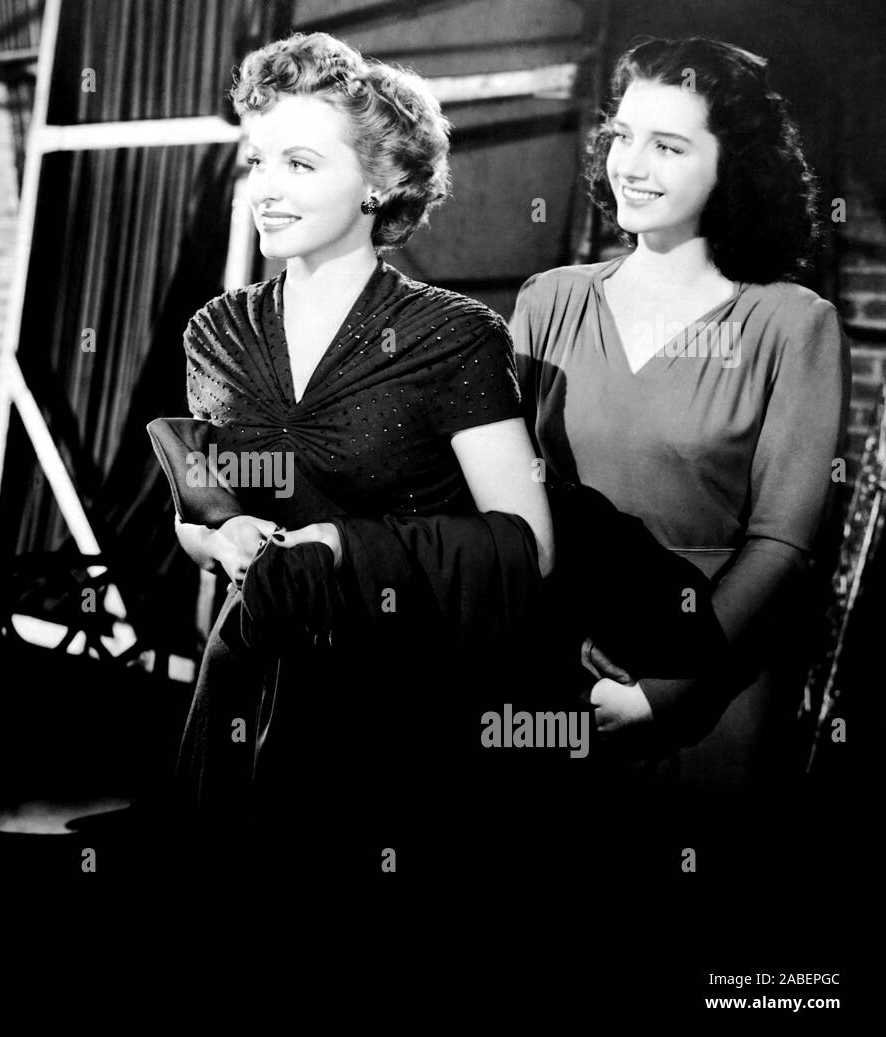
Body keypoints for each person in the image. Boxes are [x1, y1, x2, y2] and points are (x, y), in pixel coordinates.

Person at [162, 32, 555, 868]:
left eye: (299, 165)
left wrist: (347, 548)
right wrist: (218, 539)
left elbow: (528, 548)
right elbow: (196, 518)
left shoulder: (455, 338)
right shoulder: (217, 332)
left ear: (382, 182)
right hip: (245, 680)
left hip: (394, 701)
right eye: (256, 162)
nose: (265, 190)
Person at [512, 37, 850, 786]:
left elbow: (780, 546)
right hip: (555, 666)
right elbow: (500, 501)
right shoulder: (549, 300)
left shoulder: (793, 324)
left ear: (733, 166)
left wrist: (663, 692)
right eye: (623, 137)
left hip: (709, 683)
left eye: (668, 146)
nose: (631, 165)